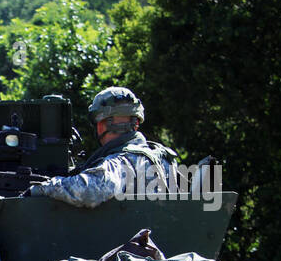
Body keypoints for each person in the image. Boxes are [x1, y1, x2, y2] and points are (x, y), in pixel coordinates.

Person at [26, 87, 180, 208]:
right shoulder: (160, 156)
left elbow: (90, 190)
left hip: (132, 244)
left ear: (100, 125)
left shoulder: (121, 161)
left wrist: (42, 188)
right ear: (137, 123)